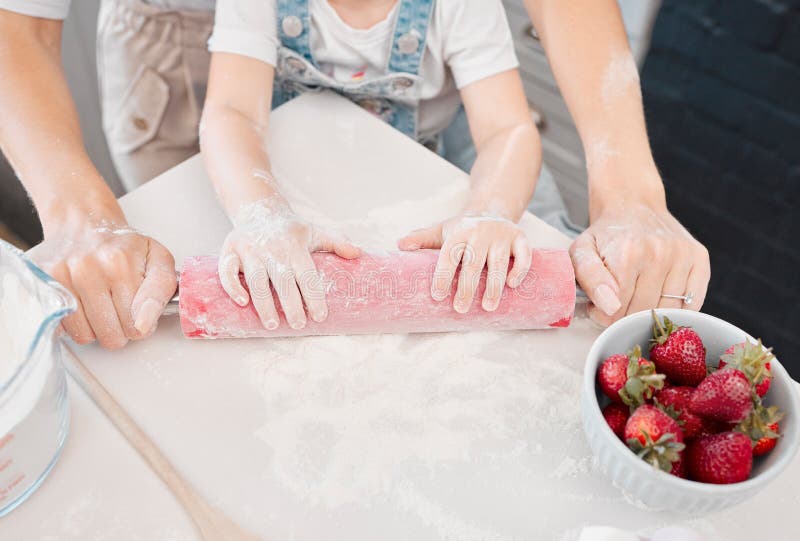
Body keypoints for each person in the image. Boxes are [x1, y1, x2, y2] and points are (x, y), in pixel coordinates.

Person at [0, 1, 709, 344]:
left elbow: (508, 130)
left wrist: (490, 211)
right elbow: (231, 118)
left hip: (424, 150)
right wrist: (261, 214)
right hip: (292, 159)